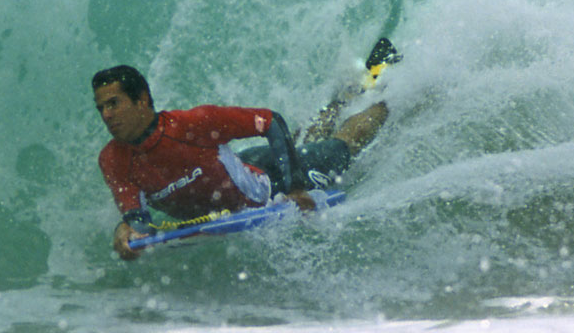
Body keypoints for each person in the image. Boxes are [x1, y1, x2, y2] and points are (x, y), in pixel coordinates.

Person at [92, 61, 390, 261]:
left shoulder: (190, 125)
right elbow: (136, 217)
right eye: (101, 107)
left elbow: (271, 122)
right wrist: (127, 232)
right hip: (236, 168)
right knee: (302, 146)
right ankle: (341, 97)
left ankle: (392, 97)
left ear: (142, 99)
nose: (106, 115)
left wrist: (296, 187)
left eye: (113, 104)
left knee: (342, 147)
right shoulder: (113, 160)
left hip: (267, 183)